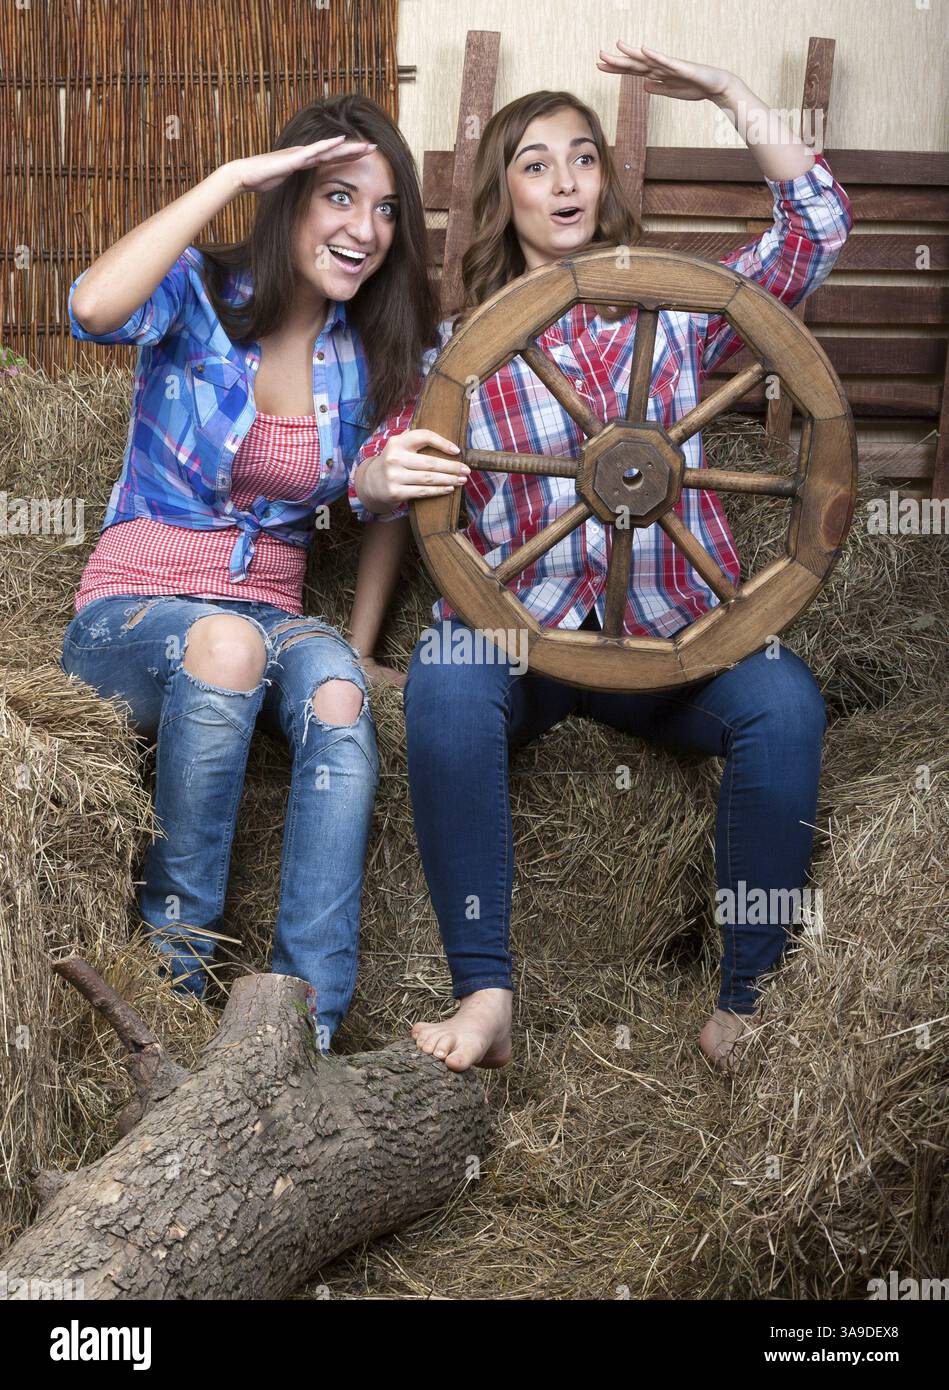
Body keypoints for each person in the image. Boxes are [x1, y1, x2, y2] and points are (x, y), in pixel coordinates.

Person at [349, 44, 854, 1073]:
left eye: (583, 157)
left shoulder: (675, 319)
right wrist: (376, 476)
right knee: (446, 680)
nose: (567, 179)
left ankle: (744, 1001)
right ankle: (484, 992)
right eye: (535, 164)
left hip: (668, 652)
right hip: (523, 649)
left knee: (786, 703)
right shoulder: (461, 350)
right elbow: (370, 469)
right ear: (502, 196)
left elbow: (814, 233)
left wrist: (727, 89)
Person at [58, 94, 450, 1048]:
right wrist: (230, 180)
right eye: (338, 197)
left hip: (268, 614)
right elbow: (90, 308)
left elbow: (379, 501)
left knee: (339, 699)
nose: (364, 229)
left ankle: (300, 1028)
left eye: (387, 209)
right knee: (228, 644)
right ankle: (171, 992)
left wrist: (357, 642)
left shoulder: (375, 349)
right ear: (288, 198)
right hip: (135, 609)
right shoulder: (199, 293)